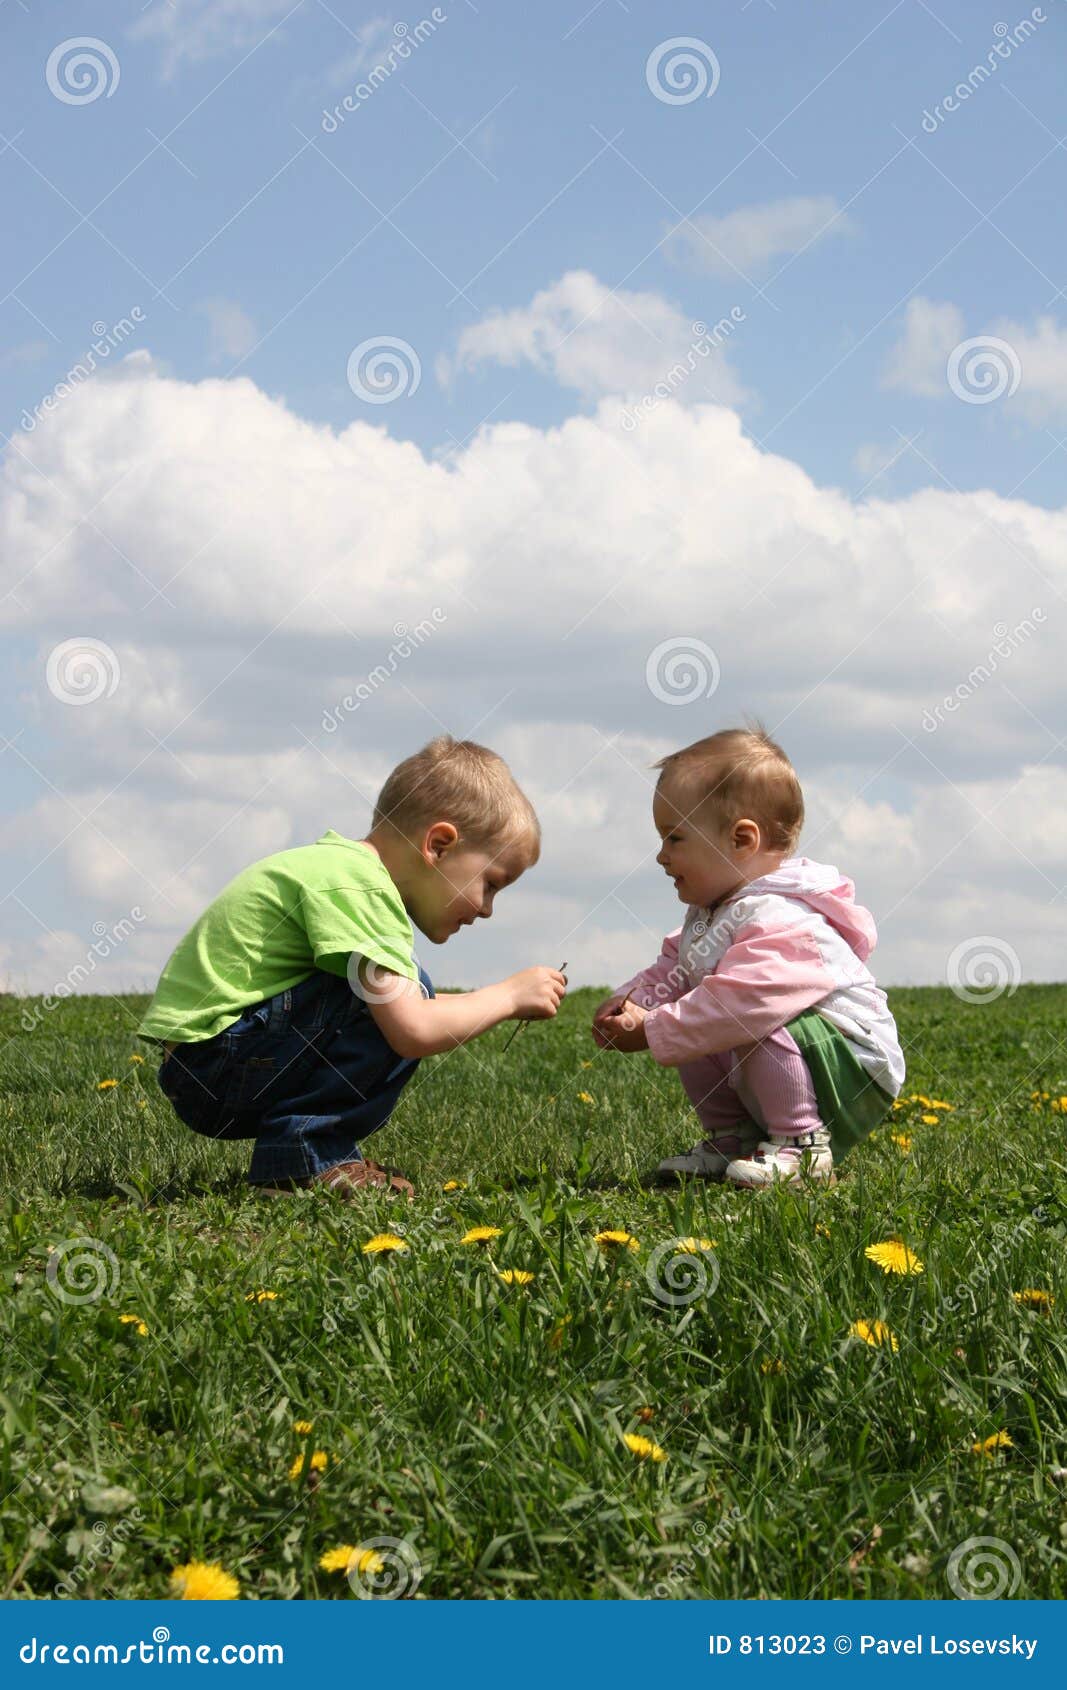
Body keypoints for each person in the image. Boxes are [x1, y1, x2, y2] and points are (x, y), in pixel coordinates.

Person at [137, 735, 566, 1199]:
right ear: (439, 845)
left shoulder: (340, 872)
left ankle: (304, 1154)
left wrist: (497, 1000)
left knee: (402, 991)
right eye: (492, 883)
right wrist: (505, 997)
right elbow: (413, 1029)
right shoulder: (361, 888)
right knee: (403, 991)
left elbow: (409, 1012)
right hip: (218, 1063)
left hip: (207, 1062)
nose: (487, 909)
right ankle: (305, 1156)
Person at [591, 725, 904, 1188]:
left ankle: (802, 1146)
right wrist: (635, 1003)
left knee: (733, 1012)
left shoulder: (782, 918)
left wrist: (654, 1028)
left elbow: (746, 1001)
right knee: (698, 1015)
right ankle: (735, 1139)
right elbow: (675, 970)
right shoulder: (715, 912)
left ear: (741, 840)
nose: (661, 856)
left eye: (674, 838)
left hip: (853, 1070)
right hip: (805, 1063)